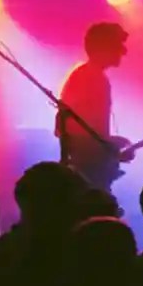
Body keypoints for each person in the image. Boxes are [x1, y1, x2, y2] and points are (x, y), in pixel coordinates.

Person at [57, 22, 131, 190]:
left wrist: (110, 144)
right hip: (89, 167)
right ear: (104, 47)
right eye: (118, 45)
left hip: (90, 162)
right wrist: (107, 148)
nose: (123, 52)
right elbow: (76, 127)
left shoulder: (89, 75)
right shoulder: (90, 77)